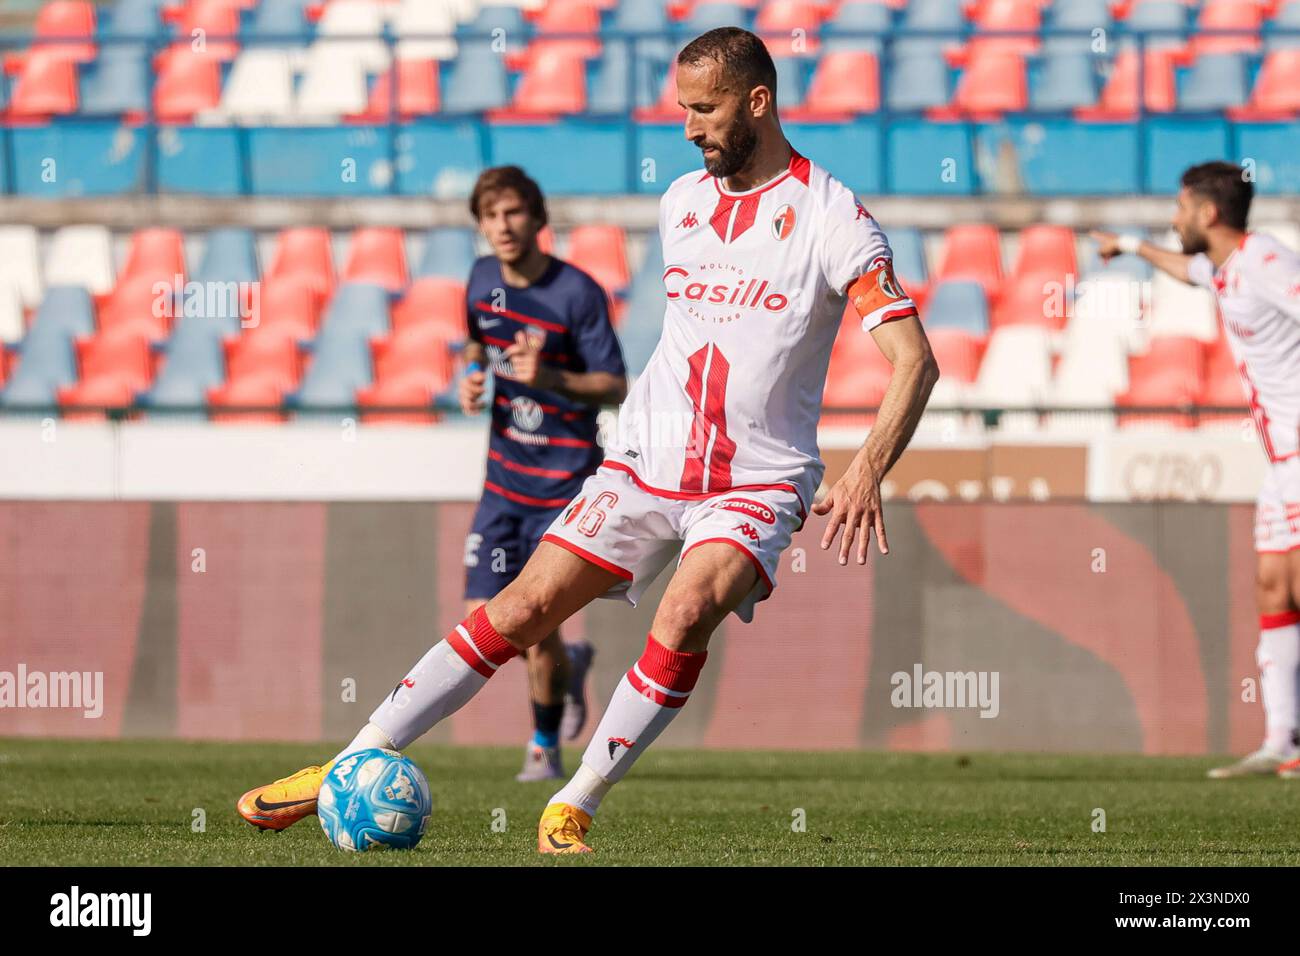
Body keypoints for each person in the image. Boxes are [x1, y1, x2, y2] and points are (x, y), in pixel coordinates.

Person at [237, 27, 939, 851]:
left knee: (685, 612)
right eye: (681, 108)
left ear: (758, 102)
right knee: (520, 610)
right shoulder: (681, 205)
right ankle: (347, 761)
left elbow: (915, 362)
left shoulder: (833, 218)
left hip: (756, 479)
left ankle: (573, 800)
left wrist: (865, 471)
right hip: (644, 466)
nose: (688, 127)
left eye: (704, 109)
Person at [1093, 161, 1300, 778]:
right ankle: (1282, 741)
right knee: (1274, 589)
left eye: (1180, 208)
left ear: (1208, 214)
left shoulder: (1265, 262)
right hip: (1280, 463)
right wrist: (1129, 245)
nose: (1173, 217)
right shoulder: (1226, 269)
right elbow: (1190, 272)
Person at [457, 165, 628, 781]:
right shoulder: (479, 281)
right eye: (490, 215)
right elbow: (477, 339)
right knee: (485, 617)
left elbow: (614, 385)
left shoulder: (576, 293)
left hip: (564, 485)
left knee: (529, 624)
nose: (502, 226)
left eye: (513, 213)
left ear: (537, 220)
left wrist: (550, 378)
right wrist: (473, 375)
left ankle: (543, 746)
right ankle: (570, 665)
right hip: (503, 482)